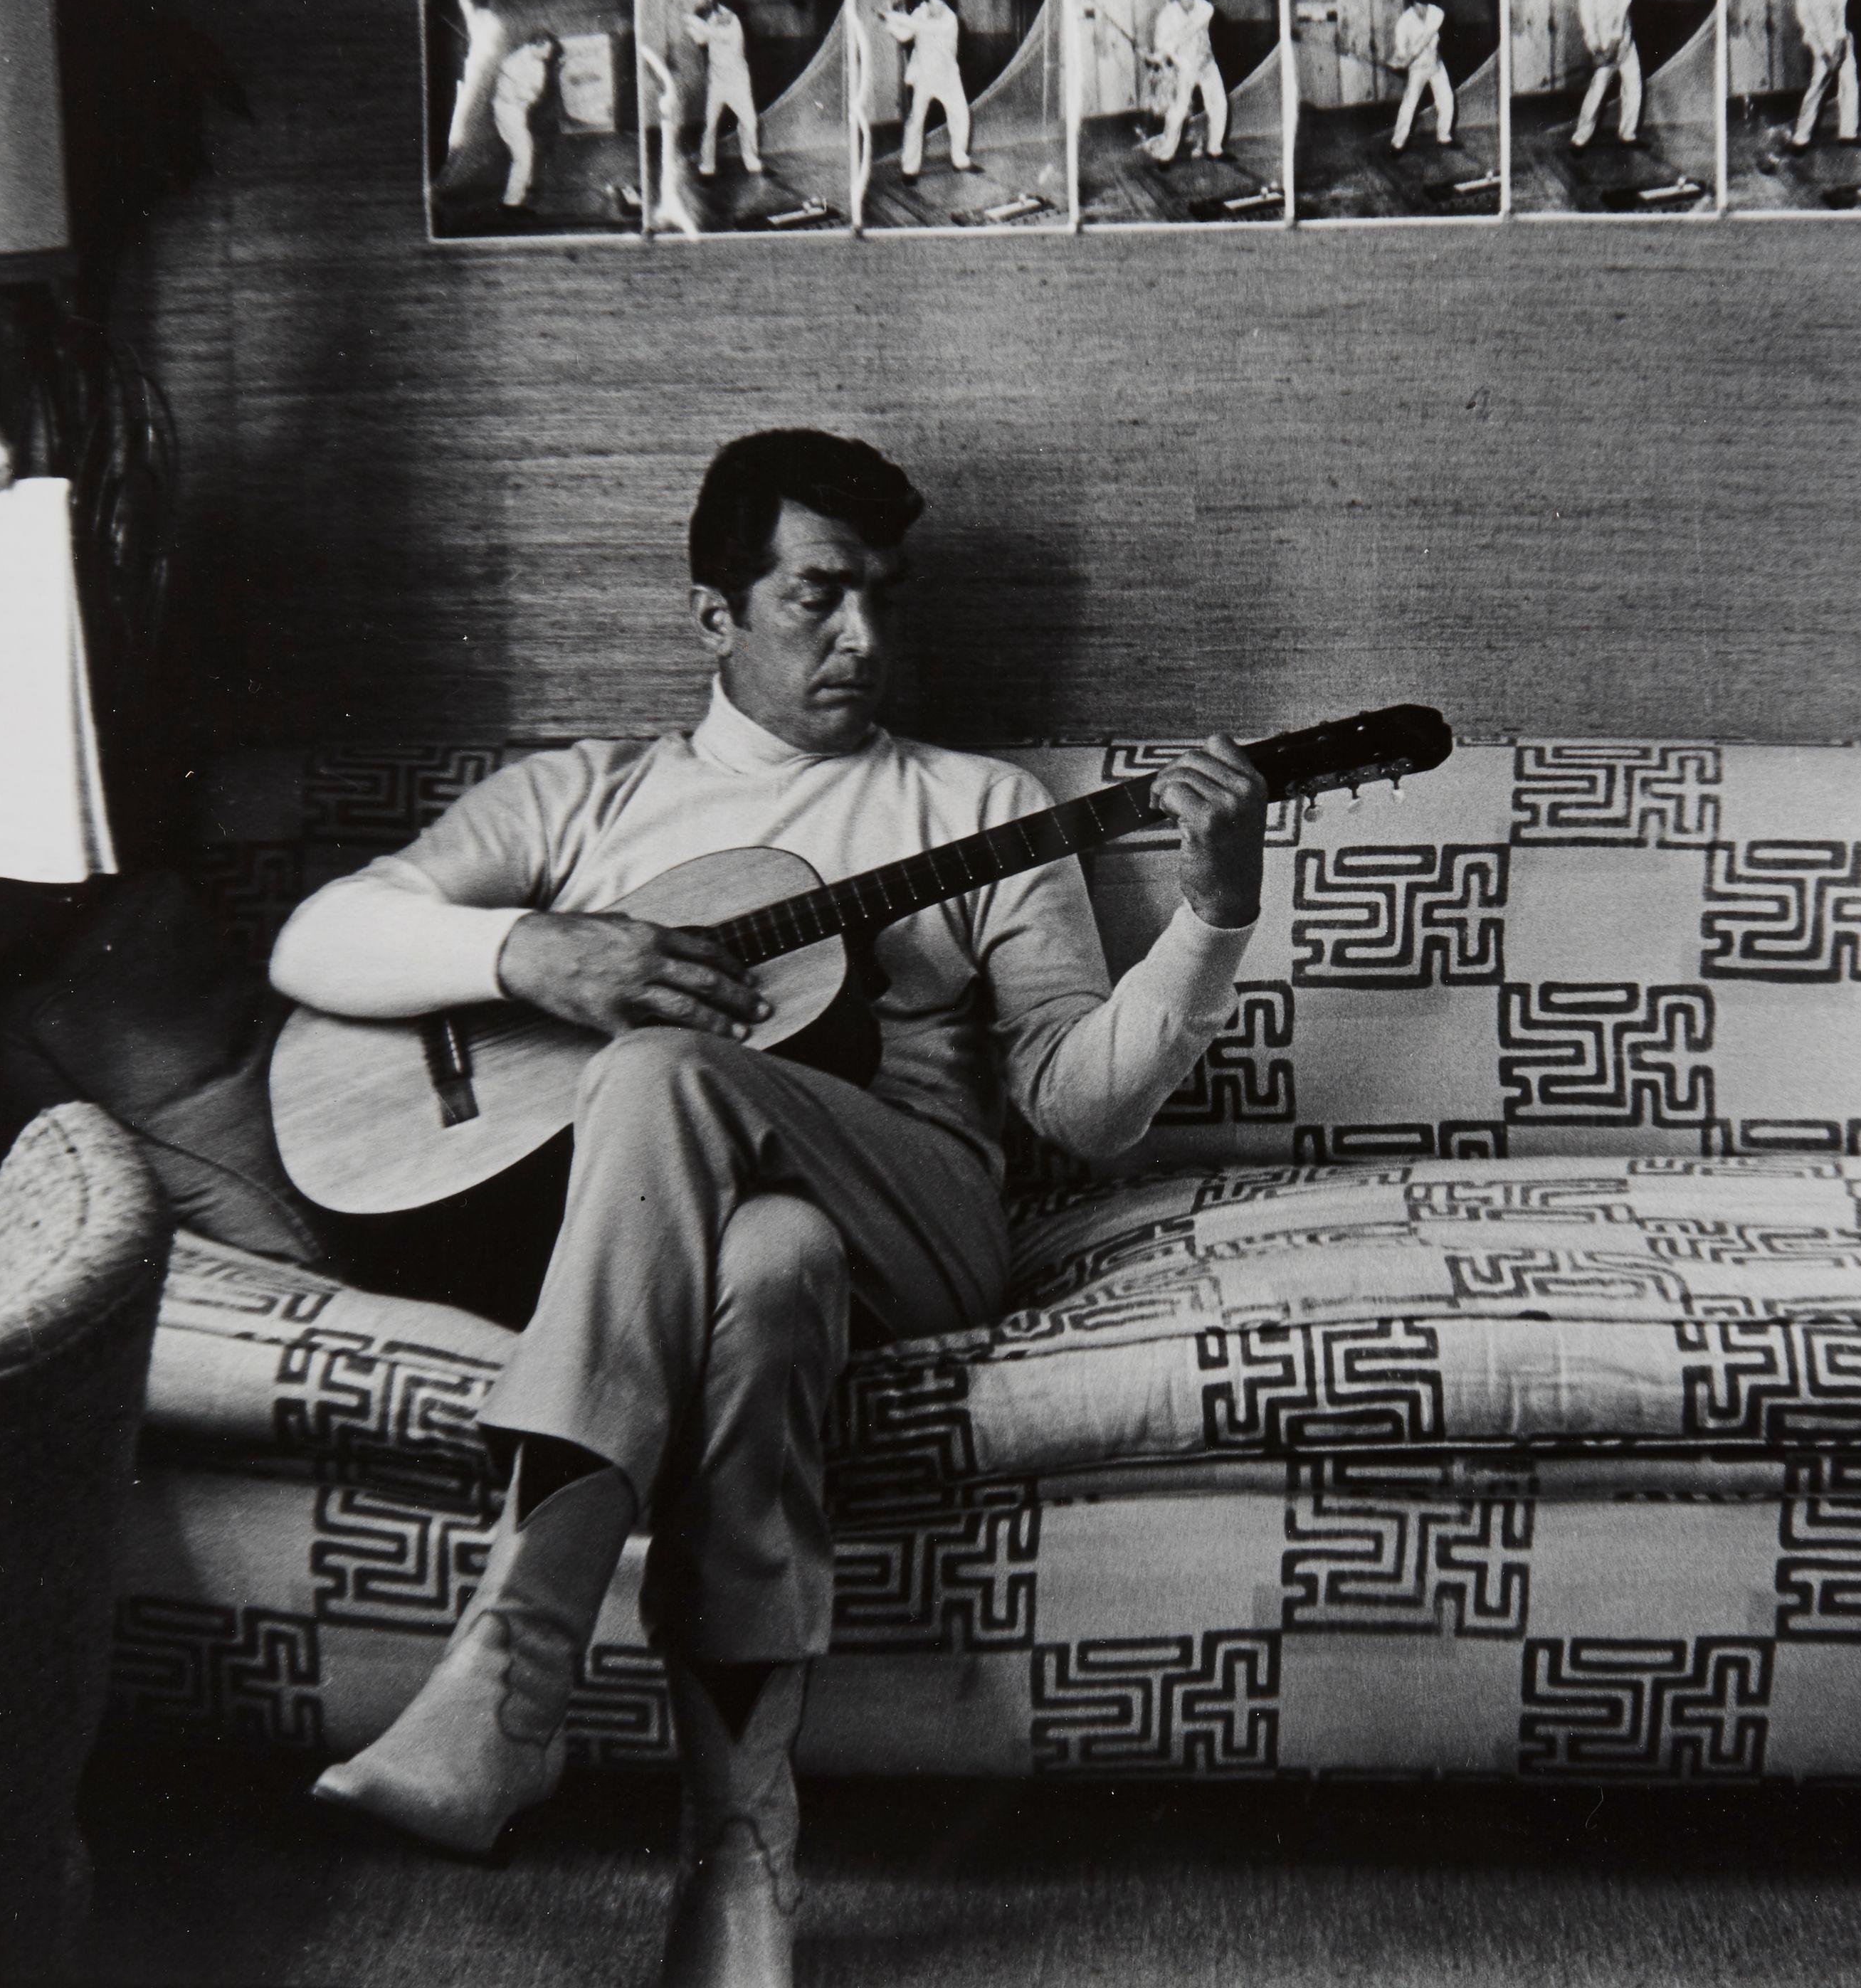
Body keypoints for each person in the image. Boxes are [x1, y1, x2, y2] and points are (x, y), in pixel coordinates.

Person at [289, 432, 1268, 1988]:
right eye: (820, 596)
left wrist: (1213, 915)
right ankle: (740, 1859)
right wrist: (528, 958)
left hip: (924, 1221)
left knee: (682, 1075)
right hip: (684, 1251)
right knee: (766, 1260)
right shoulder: (579, 796)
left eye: (885, 598)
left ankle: (510, 1663)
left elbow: (1078, 1109)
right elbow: (319, 940)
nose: (864, 642)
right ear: (712, 616)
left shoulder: (975, 803)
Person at [881, 0, 976, 178]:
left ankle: (960, 160)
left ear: (945, 3)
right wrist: (888, 19)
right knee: (915, 121)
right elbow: (904, 34)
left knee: (961, 116)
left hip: (948, 77)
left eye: (938, 5)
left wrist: (894, 15)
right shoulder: (921, 12)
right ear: (927, 1)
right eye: (931, 4)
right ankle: (909, 169)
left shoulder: (950, 20)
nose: (934, 9)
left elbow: (922, 27)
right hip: (924, 76)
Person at [1146, 0, 1229, 163]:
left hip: (1207, 62)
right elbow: (1161, 44)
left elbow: (1188, 31)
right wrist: (1164, 54)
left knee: (1219, 104)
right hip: (1185, 66)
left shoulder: (1205, 7)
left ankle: (1215, 149)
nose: (1190, 0)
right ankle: (1166, 152)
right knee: (1179, 110)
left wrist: (1169, 47)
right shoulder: (1166, 16)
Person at [1789, 0, 1861, 150]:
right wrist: (1826, 57)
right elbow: (1810, 33)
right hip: (1821, 43)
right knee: (1817, 87)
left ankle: (1848, 134)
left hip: (1843, 38)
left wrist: (1840, 50)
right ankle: (1801, 138)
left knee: (1850, 84)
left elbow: (1841, 17)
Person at [688, 0, 764, 177]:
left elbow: (714, 34)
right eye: (719, 13)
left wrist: (693, 20)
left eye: (726, 14)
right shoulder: (715, 19)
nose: (722, 17)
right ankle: (707, 167)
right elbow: (702, 39)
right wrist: (692, 26)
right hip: (717, 83)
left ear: (733, 13)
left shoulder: (734, 28)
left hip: (738, 82)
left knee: (749, 123)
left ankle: (752, 161)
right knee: (710, 124)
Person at [1573, 0, 1642, 149]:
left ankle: (1628, 134)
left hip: (1626, 44)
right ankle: (1580, 138)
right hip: (1603, 46)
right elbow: (1589, 29)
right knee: (1597, 91)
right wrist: (1597, 52)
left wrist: (1617, 46)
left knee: (1634, 87)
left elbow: (1622, 17)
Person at [492, 29, 560, 211]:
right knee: (523, 156)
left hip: (517, 110)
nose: (549, 54)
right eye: (546, 50)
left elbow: (536, 90)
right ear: (535, 45)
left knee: (526, 150)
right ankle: (511, 204)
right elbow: (524, 93)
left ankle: (525, 189)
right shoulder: (514, 62)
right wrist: (529, 94)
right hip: (507, 110)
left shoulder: (538, 62)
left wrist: (530, 94)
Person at [1389, 0, 1455, 152]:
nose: (1424, 11)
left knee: (1447, 100)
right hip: (1417, 69)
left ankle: (1444, 137)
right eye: (1420, 6)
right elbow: (1401, 51)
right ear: (1412, 4)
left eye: (1426, 5)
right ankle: (1397, 144)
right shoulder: (1403, 23)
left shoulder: (1437, 13)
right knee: (1409, 105)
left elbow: (1426, 38)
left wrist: (1409, 57)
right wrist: (1400, 60)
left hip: (1436, 64)